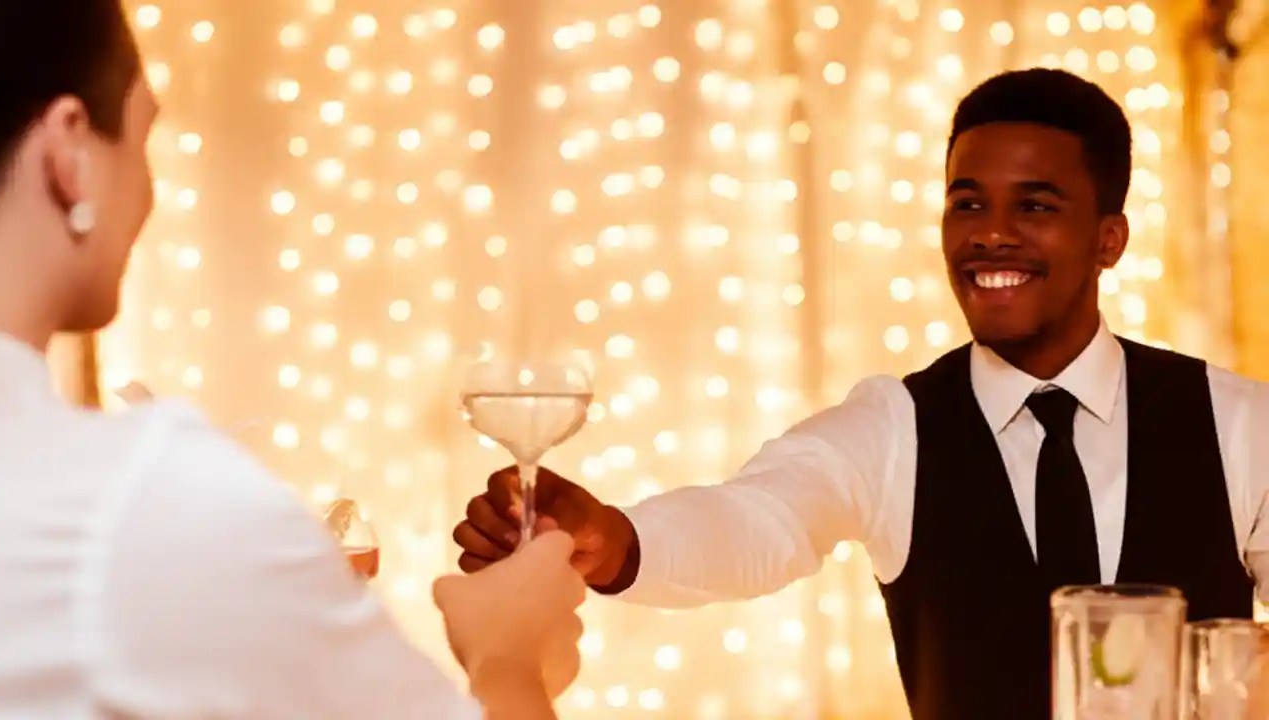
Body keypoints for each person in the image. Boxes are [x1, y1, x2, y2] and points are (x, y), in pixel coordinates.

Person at [455, 68, 1269, 719]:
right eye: (968, 203)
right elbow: (760, 517)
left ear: (1109, 240)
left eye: (1035, 206)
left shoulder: (1238, 423)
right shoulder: (896, 427)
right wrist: (614, 539)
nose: (991, 233)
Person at [0, 2, 584, 719]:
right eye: (144, 141)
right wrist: (510, 654)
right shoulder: (139, 501)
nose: (146, 193)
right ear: (71, 154)